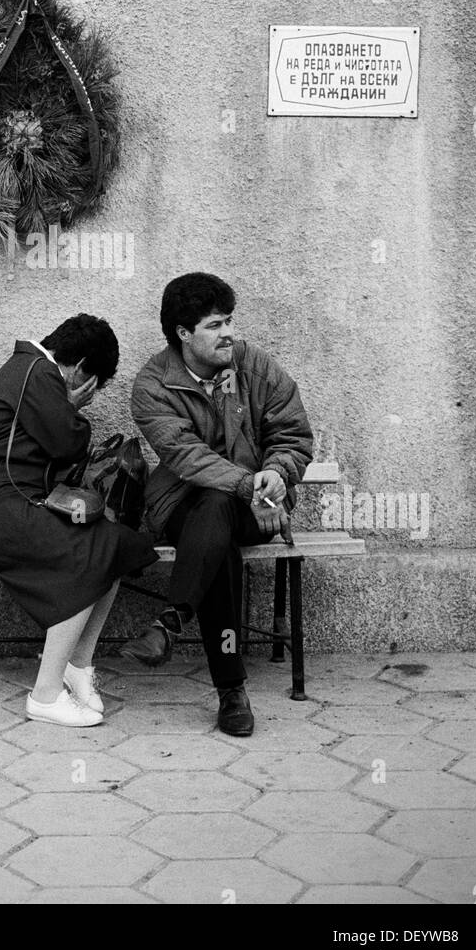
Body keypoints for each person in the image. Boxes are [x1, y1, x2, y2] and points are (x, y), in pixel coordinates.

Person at [124, 273, 313, 736]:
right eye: (214, 325)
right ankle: (231, 691)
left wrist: (277, 473)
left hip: (259, 508)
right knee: (214, 520)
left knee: (219, 516)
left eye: (229, 320)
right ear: (183, 334)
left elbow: (293, 436)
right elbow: (187, 458)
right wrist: (252, 485)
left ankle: (173, 620)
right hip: (184, 507)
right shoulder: (151, 386)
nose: (228, 332)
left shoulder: (256, 366)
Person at [0, 316, 159, 727]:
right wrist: (73, 407)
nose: (91, 397)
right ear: (80, 367)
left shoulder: (29, 370)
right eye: (94, 387)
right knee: (89, 553)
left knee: (116, 544)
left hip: (9, 501)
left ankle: (77, 667)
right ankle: (45, 695)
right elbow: (68, 441)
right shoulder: (37, 372)